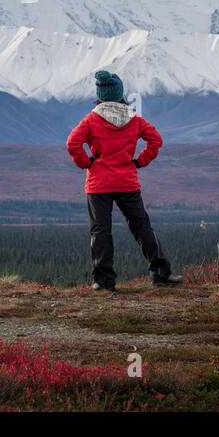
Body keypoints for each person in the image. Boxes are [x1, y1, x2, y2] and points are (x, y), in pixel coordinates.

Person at [66, 70, 182, 291]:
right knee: (142, 227)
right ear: (120, 94)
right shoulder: (134, 119)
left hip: (98, 184)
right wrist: (139, 162)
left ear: (100, 95)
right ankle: (161, 273)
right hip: (127, 181)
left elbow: (72, 143)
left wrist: (87, 163)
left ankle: (103, 281)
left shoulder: (91, 120)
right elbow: (156, 140)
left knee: (100, 231)